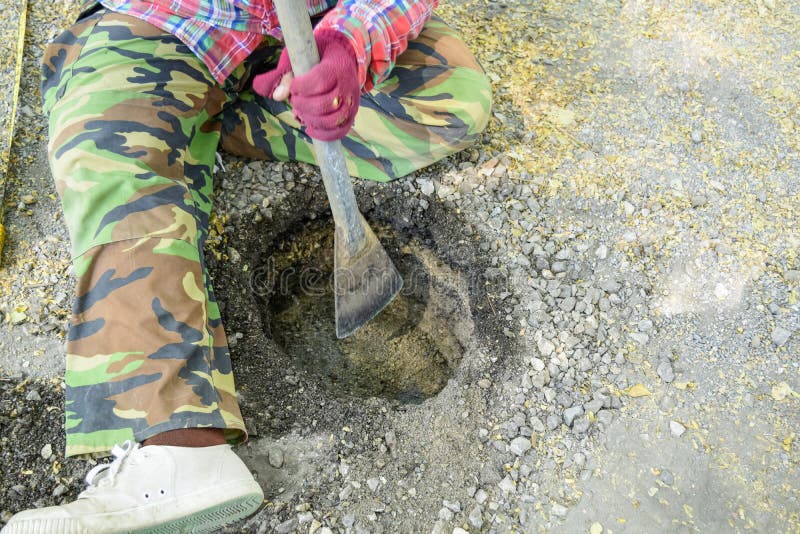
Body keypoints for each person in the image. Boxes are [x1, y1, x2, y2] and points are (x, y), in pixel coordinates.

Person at [2, 0, 491, 530]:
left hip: (306, 31)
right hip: (167, 26)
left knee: (454, 104)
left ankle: (195, 120)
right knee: (110, 162)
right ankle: (181, 451)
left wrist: (350, 43)